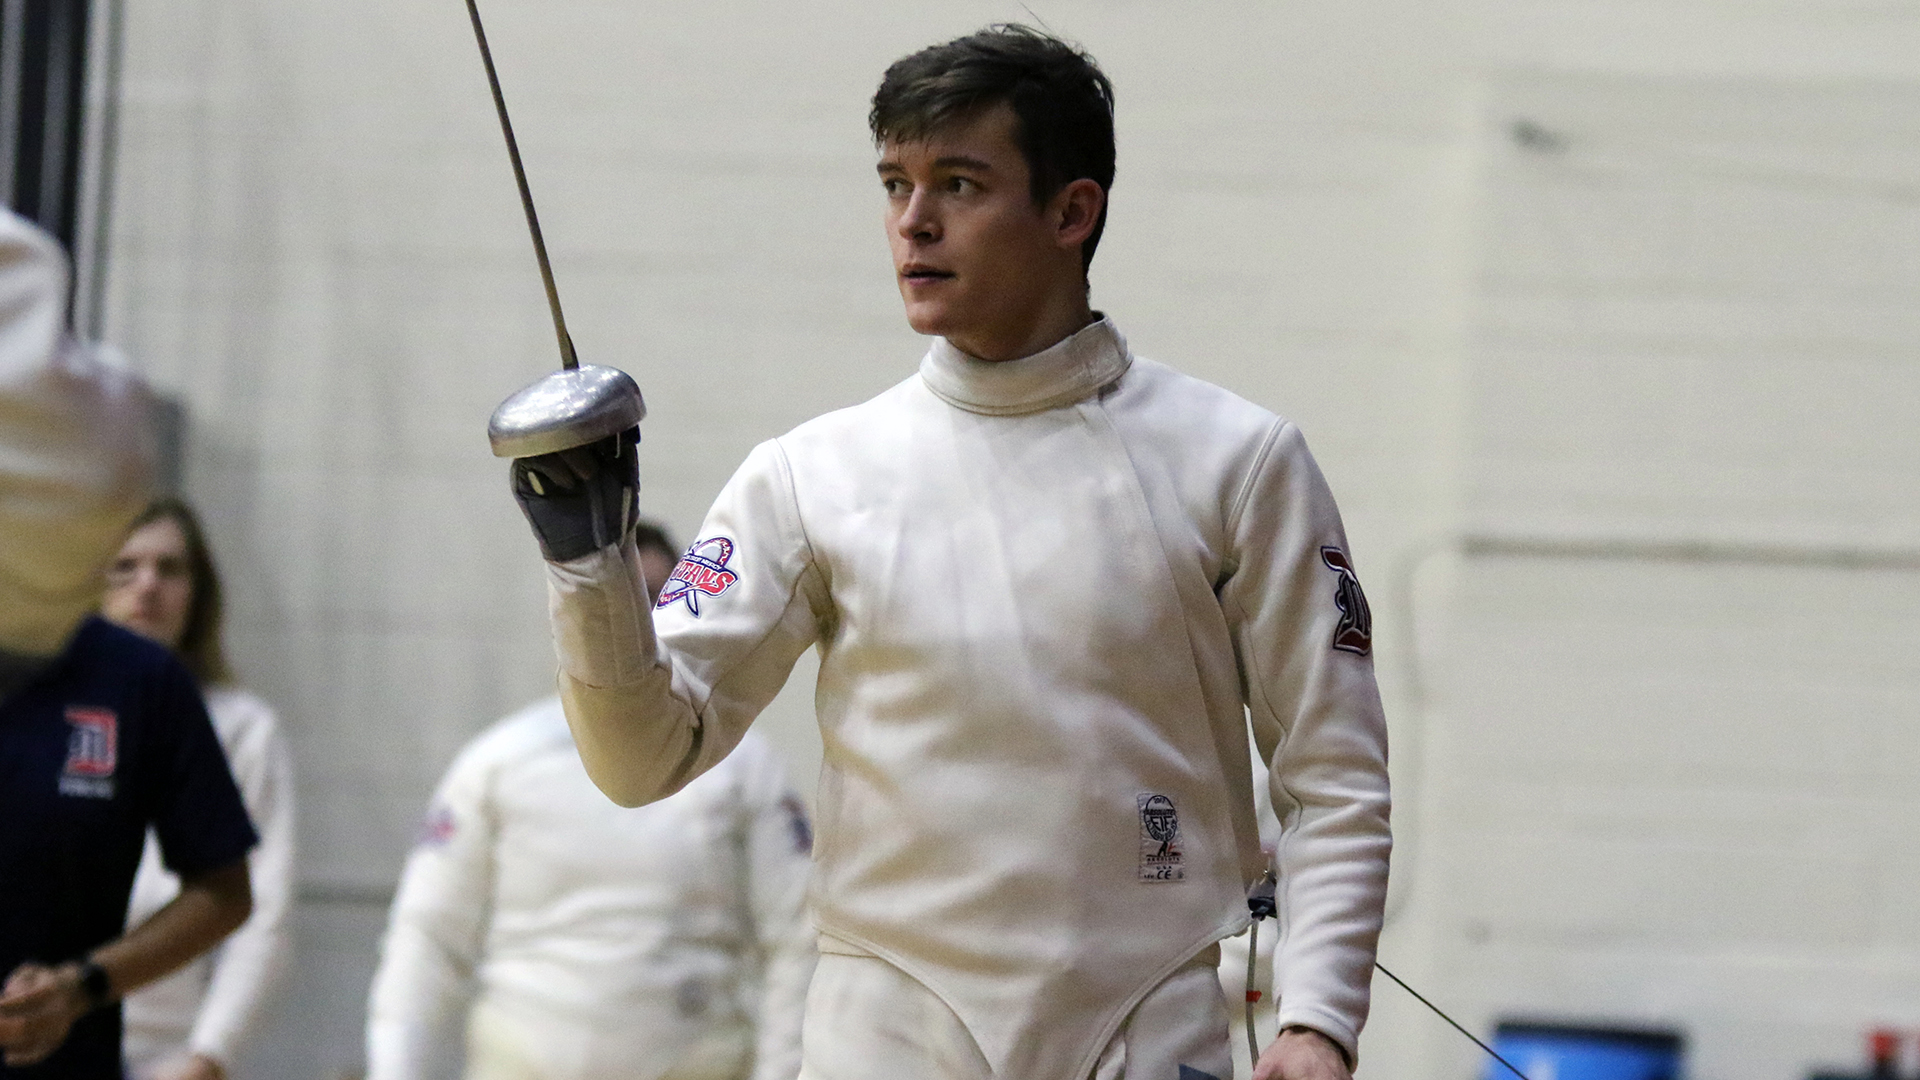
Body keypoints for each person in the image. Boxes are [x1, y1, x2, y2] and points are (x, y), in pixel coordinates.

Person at [506, 26, 1391, 1080]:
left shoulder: (1236, 462)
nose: (913, 224)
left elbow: (1334, 774)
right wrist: (588, 560)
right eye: (895, 184)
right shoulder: (810, 477)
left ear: (1072, 212)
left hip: (1143, 1024)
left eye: (959, 184)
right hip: (889, 1029)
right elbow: (643, 757)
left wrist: (1317, 1017)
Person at [364, 523, 816, 1080]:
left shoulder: (745, 767)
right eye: (626, 602)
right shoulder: (499, 762)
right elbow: (428, 938)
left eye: (660, 600)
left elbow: (797, 941)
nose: (641, 625)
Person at [0, 207, 258, 1077]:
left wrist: (83, 985)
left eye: (168, 568)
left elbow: (231, 894)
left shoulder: (142, 681)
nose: (146, 585)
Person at [102, 499, 297, 1080]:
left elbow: (261, 910)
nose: (147, 586)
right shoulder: (42, 711)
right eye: (125, 566)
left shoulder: (242, 729)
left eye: (169, 569)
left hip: (165, 1049)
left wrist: (209, 1055)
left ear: (198, 592)